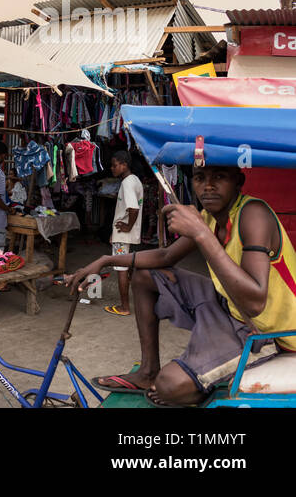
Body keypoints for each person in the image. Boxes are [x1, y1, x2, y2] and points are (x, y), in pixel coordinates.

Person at [68, 166, 296, 406]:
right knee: (145, 275)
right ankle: (147, 371)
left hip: (267, 332)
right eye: (199, 178)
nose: (208, 186)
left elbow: (254, 304)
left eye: (219, 177)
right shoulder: (210, 216)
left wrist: (201, 234)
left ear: (238, 181)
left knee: (170, 387)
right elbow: (166, 256)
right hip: (229, 305)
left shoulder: (253, 214)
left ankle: (199, 382)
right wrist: (106, 260)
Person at [106, 151, 143, 317]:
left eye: (115, 165)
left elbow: (133, 208)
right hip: (124, 234)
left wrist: (127, 227)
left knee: (121, 270)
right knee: (127, 270)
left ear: (124, 165)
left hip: (124, 234)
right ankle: (130, 303)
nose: (112, 168)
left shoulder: (127, 183)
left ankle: (124, 307)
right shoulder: (134, 180)